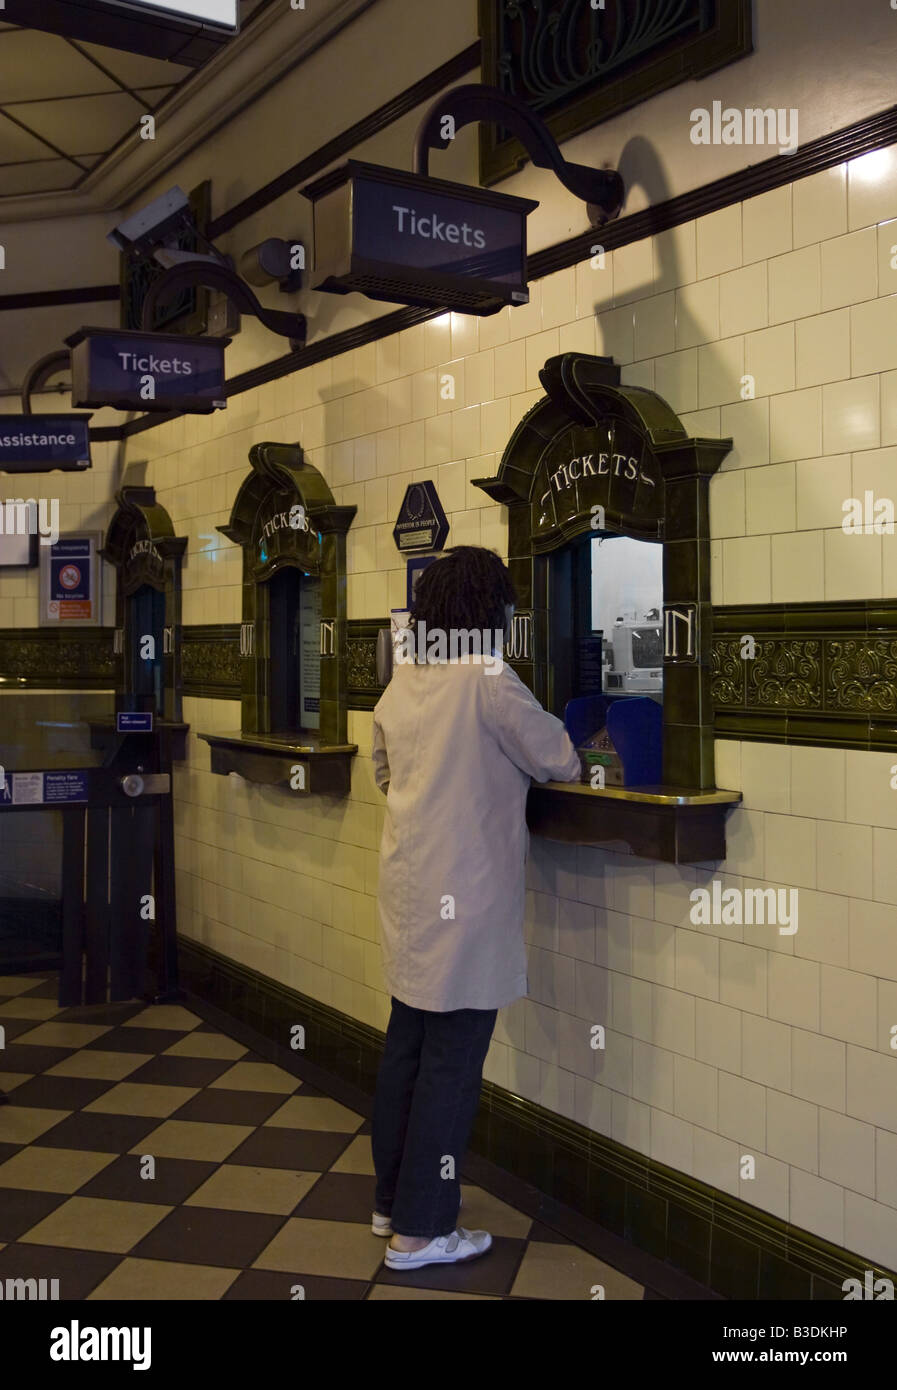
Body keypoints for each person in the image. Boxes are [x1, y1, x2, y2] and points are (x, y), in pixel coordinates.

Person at [370, 545, 582, 1271]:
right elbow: (558, 757)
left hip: (409, 891)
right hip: (464, 899)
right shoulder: (489, 679)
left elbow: (382, 771)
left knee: (407, 1048)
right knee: (452, 1065)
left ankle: (390, 1204)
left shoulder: (406, 678)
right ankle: (421, 1232)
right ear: (492, 611)